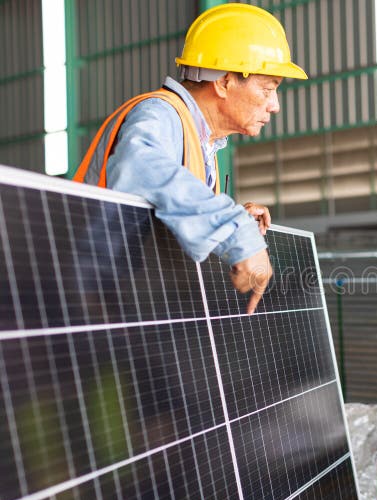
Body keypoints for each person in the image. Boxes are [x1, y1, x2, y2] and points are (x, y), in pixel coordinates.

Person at [73, 3, 307, 314]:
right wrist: (234, 228)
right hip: (84, 301)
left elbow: (162, 209)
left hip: (120, 304)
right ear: (224, 82)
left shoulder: (199, 142)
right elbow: (138, 168)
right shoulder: (161, 113)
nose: (274, 105)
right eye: (267, 89)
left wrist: (233, 216)